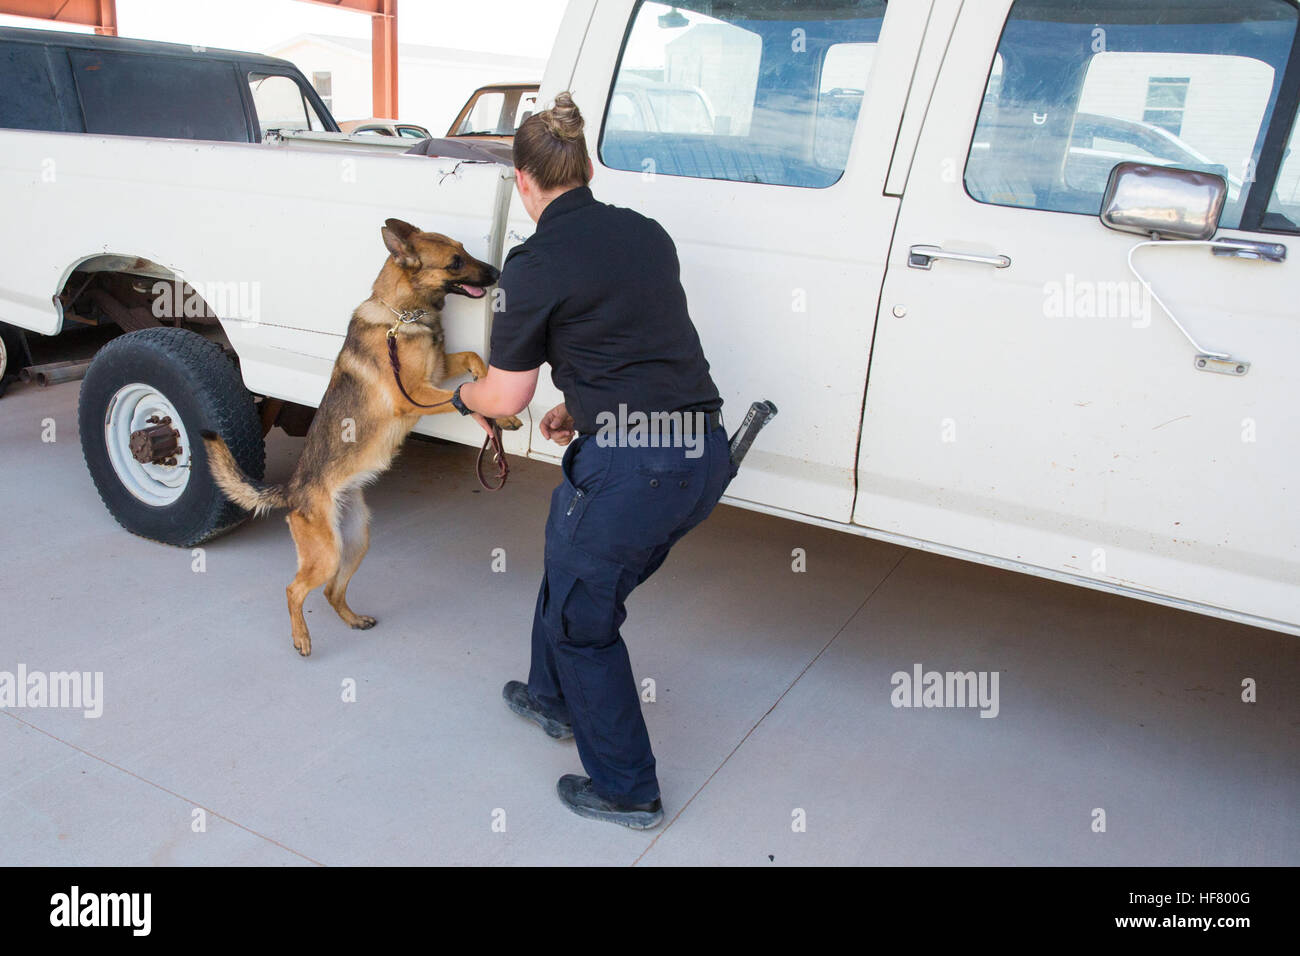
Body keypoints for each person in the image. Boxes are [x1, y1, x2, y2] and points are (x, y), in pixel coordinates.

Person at [453, 92, 734, 829]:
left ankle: (626, 790)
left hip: (636, 470)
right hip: (700, 456)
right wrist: (579, 408)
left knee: (586, 623)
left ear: (524, 180)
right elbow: (634, 343)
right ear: (583, 168)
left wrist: (461, 394)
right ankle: (551, 697)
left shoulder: (535, 262)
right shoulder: (647, 235)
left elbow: (505, 398)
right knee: (573, 560)